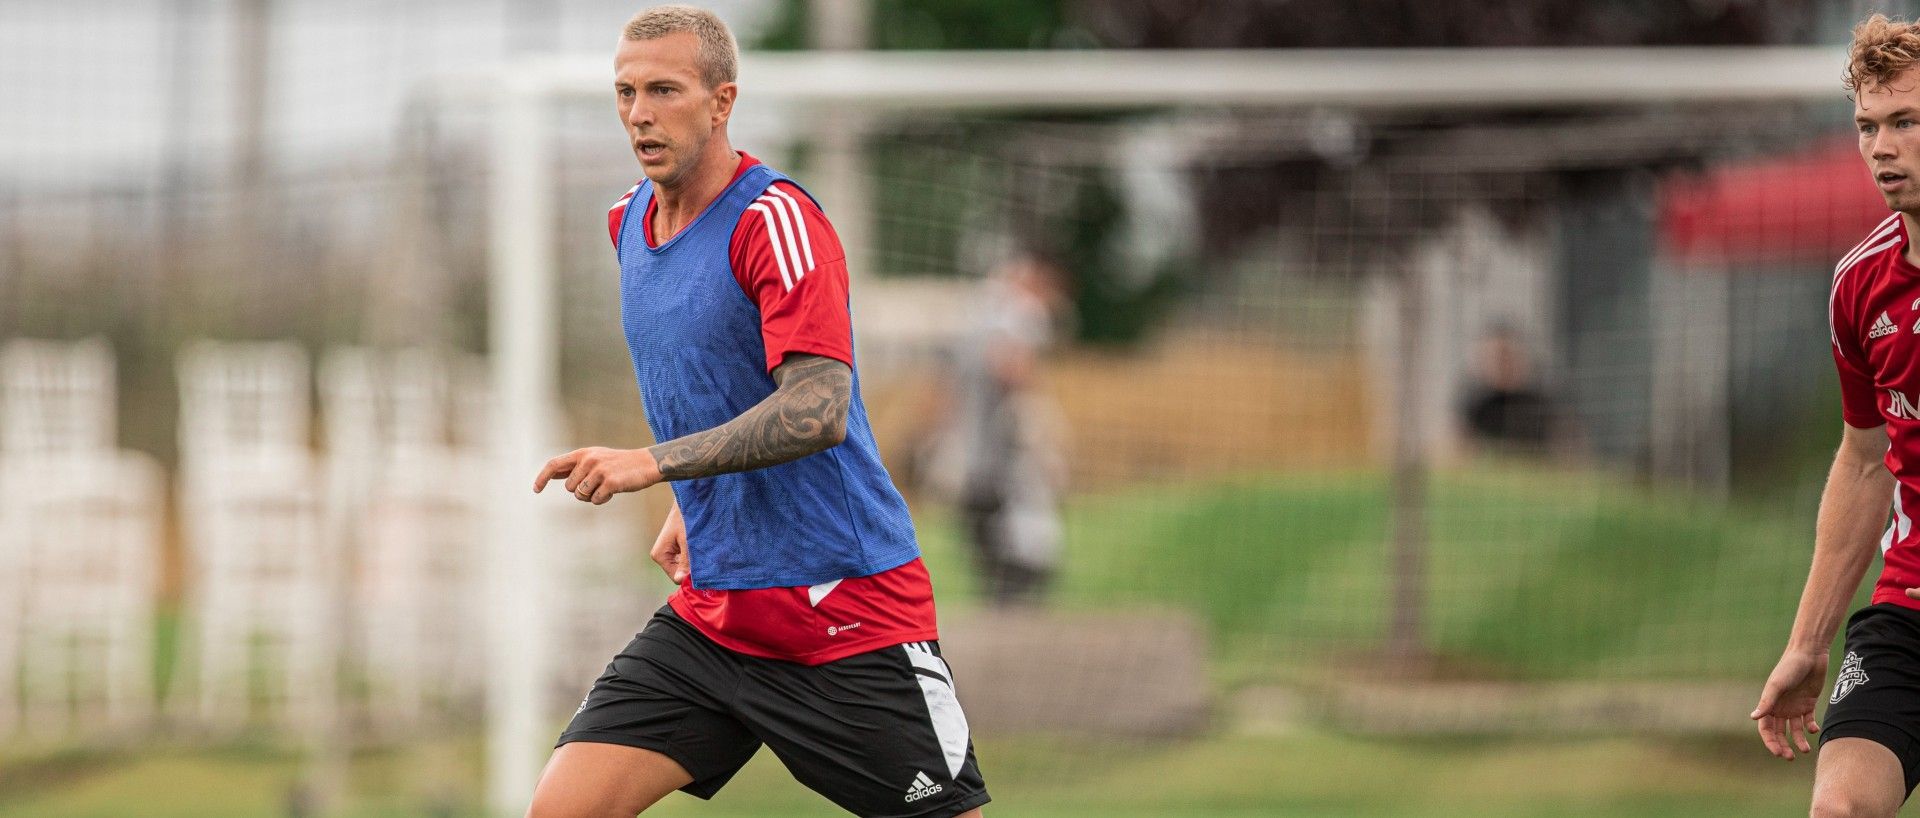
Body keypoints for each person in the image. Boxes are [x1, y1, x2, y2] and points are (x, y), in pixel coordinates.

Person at [524, 7, 988, 817]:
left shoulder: (775, 221)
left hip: (842, 610)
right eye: (625, 91)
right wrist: (690, 499)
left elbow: (817, 408)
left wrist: (654, 463)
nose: (639, 112)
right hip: (715, 615)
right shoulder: (626, 220)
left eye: (664, 89)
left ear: (721, 101)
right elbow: (710, 378)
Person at [1753, 14, 1920, 818]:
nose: (1881, 148)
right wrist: (1806, 644)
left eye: (1905, 122)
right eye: (1867, 126)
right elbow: (1863, 460)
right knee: (1840, 810)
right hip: (1908, 612)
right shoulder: (1860, 285)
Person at [926, 255, 1069, 605]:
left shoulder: (981, 306)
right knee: (1022, 548)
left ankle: (1005, 616)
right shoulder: (1018, 312)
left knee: (994, 551)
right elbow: (1008, 364)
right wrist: (1034, 411)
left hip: (976, 456)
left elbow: (946, 380)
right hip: (998, 458)